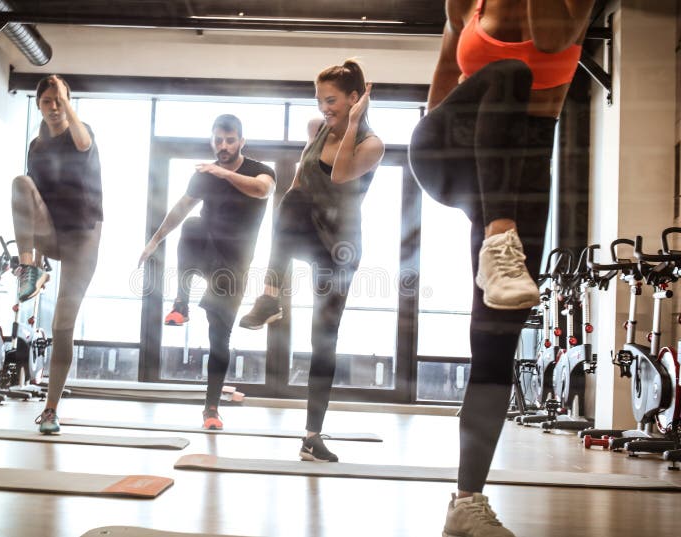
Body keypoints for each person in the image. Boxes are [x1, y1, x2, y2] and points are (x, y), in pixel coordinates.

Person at [408, 1, 594, 535]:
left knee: (495, 338)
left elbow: (554, 41)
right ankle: (498, 238)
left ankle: (466, 503)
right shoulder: (465, 3)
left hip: (523, 163)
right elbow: (448, 70)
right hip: (451, 148)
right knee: (509, 73)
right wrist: (441, 132)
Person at [239, 60, 384, 462]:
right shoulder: (316, 130)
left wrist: (353, 122)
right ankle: (270, 296)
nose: (324, 107)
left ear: (355, 99)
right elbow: (302, 180)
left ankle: (312, 436)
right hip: (309, 228)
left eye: (333, 100)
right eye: (320, 100)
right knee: (291, 197)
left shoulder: (371, 144)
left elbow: (339, 175)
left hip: (340, 249)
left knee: (322, 340)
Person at [138, 114, 275, 429]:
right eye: (218, 140)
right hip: (206, 254)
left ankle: (211, 410)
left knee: (219, 338)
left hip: (233, 269)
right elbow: (181, 208)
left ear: (241, 141)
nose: (223, 146)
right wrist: (155, 241)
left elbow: (262, 190)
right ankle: (181, 304)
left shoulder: (260, 171)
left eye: (229, 140)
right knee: (194, 224)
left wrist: (223, 175)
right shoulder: (204, 175)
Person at [12, 74, 103, 434]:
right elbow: (30, 196)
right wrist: (33, 245)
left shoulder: (83, 132)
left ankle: (51, 409)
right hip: (51, 231)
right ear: (38, 104)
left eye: (60, 101)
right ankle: (28, 269)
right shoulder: (36, 146)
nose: (54, 107)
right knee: (20, 183)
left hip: (83, 237)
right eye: (47, 101)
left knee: (61, 325)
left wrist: (67, 103)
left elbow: (81, 143)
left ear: (68, 102)